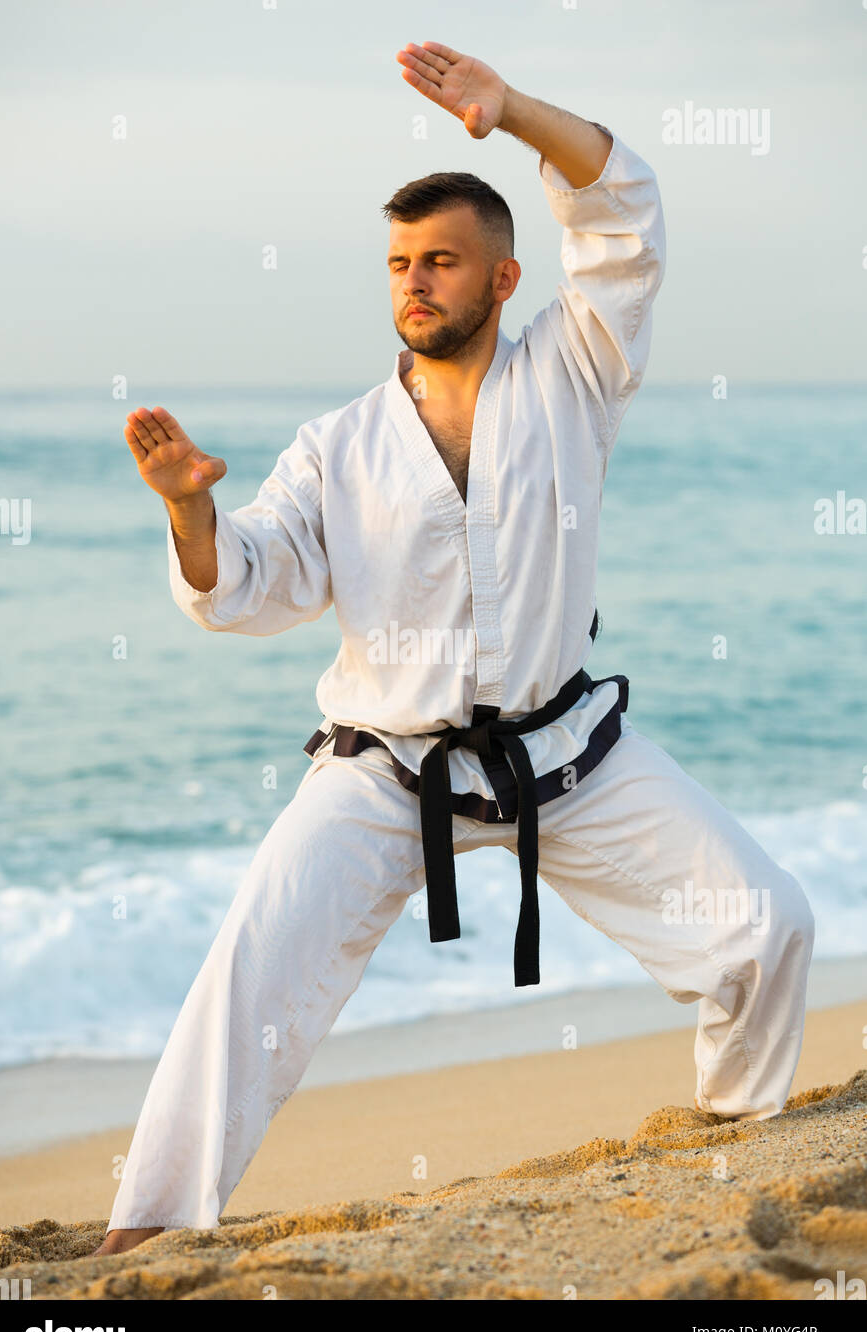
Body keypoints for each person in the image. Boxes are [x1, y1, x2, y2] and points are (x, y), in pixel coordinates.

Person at [93, 41, 814, 1256]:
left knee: (766, 925)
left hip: (562, 756)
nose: (413, 283)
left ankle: (729, 1145)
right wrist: (189, 510)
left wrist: (513, 113)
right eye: (396, 265)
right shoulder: (338, 446)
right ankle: (148, 1232)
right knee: (247, 978)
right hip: (383, 771)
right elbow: (253, 583)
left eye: (439, 261)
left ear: (503, 274)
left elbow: (625, 207)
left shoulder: (576, 370)